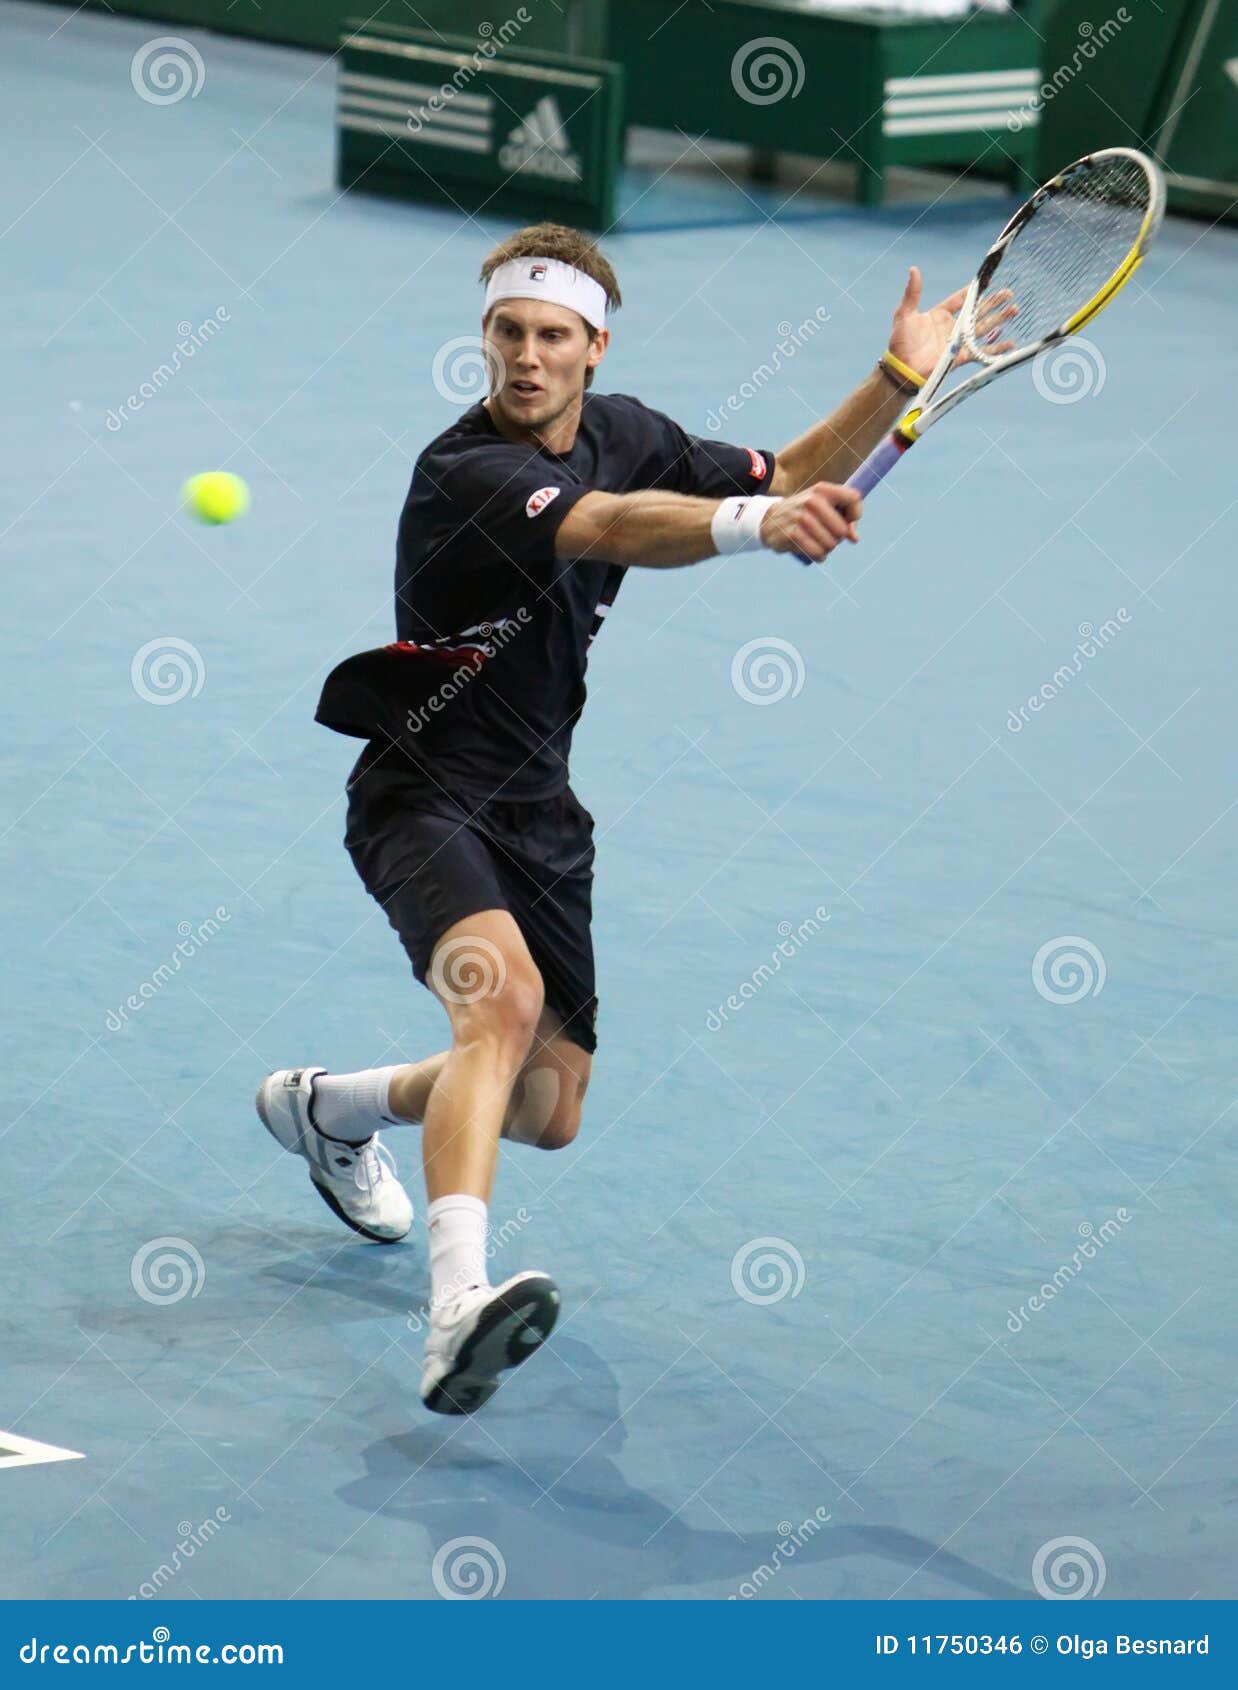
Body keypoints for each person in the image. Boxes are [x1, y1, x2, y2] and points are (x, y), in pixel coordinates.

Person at [256, 221, 998, 1415]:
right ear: (483, 338)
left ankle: (326, 1106)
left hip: (540, 809)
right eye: (506, 333)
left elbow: (794, 467)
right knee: (496, 1003)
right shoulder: (464, 474)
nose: (526, 358)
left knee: (542, 1107)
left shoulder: (627, 431)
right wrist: (763, 530)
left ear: (595, 345)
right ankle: (455, 1314)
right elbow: (609, 529)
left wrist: (899, 376)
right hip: (421, 788)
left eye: (552, 336)